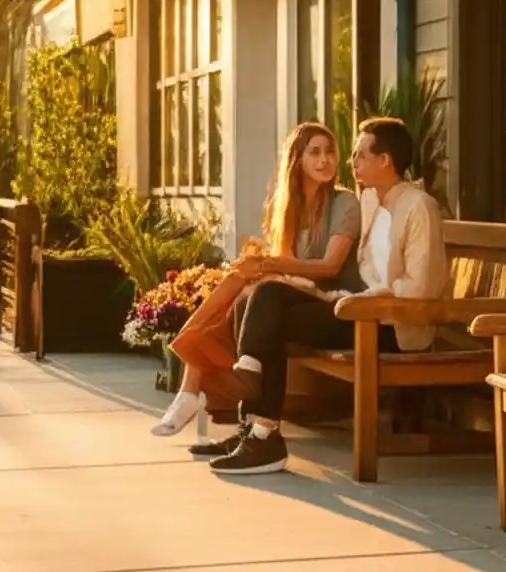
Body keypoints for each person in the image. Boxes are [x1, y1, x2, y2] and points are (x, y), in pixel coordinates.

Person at [207, 116, 448, 475]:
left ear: (385, 160)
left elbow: (420, 288)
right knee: (260, 296)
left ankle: (261, 430)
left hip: (389, 325)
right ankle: (255, 428)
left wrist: (360, 299)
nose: (352, 162)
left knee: (273, 317)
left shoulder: (418, 207)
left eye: (360, 154)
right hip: (354, 309)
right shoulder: (369, 202)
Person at [149, 122, 363, 438]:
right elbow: (290, 273)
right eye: (315, 152)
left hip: (338, 305)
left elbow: (330, 267)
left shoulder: (344, 203)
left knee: (258, 298)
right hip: (302, 299)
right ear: (297, 160)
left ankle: (209, 386)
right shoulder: (288, 208)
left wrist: (267, 263)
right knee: (241, 291)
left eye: (330, 152)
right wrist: (260, 268)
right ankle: (222, 406)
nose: (325, 160)